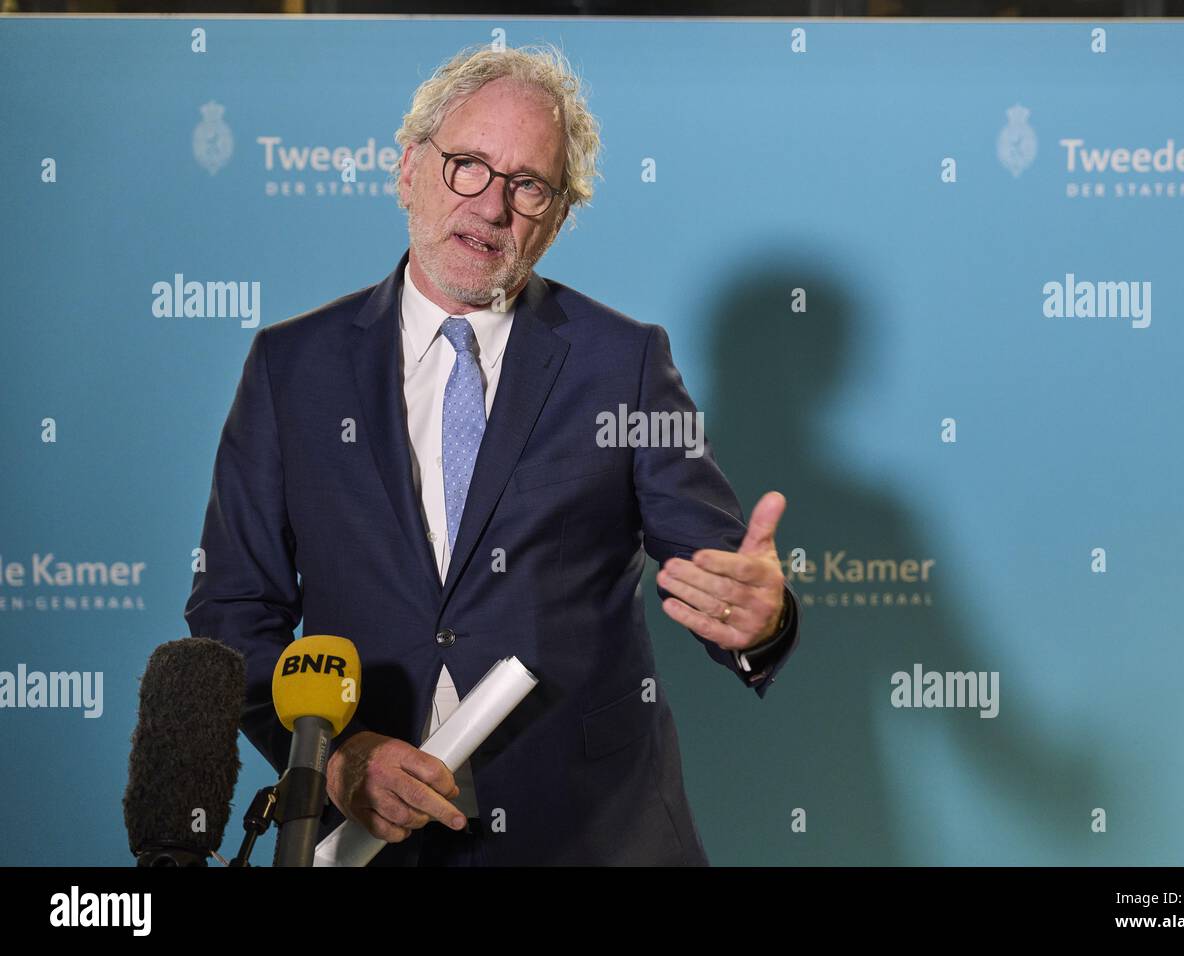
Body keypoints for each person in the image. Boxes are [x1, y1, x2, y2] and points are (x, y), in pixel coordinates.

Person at [184, 42, 800, 866]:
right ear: (408, 170)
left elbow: (715, 576)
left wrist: (761, 621)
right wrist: (335, 761)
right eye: (467, 165)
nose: (492, 206)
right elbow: (232, 616)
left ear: (556, 215)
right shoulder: (291, 368)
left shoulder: (624, 361)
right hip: (374, 839)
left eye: (529, 185)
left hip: (598, 832)